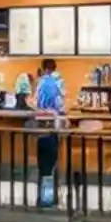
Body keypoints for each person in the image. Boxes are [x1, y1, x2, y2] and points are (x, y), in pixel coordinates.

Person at [34, 58, 66, 206]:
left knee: (43, 164)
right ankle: (51, 197)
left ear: (43, 68)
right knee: (53, 162)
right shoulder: (59, 81)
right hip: (54, 126)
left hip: (41, 125)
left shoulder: (41, 83)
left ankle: (43, 197)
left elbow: (36, 104)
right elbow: (61, 105)